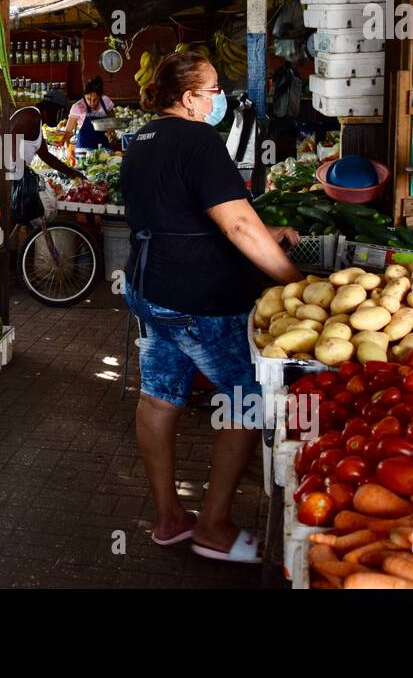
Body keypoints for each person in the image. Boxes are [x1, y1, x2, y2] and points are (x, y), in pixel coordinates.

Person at [120, 51, 303, 564]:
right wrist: (297, 283)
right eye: (213, 89)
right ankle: (215, 527)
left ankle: (170, 519)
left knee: (159, 398)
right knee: (246, 401)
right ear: (189, 98)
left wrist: (269, 234)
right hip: (196, 298)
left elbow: (184, 213)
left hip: (150, 290)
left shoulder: (142, 141)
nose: (219, 97)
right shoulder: (199, 140)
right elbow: (237, 225)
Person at [0, 94, 82, 217]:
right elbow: (10, 135)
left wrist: (71, 172)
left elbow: (46, 156)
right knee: (2, 224)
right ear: (49, 110)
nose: (60, 119)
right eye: (60, 114)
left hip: (6, 176)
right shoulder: (32, 115)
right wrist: (20, 166)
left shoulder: (37, 125)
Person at [60, 76, 116, 150]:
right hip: (84, 149)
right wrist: (68, 149)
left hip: (104, 147)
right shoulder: (77, 107)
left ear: (100, 96)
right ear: (84, 95)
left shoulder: (105, 101)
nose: (91, 103)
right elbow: (68, 132)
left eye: (95, 99)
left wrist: (111, 130)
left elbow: (112, 120)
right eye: (88, 99)